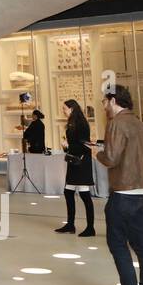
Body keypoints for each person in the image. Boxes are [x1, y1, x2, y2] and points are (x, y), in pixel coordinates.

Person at [91, 86, 143, 285]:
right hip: (142, 190)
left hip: (123, 192)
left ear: (112, 100)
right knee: (142, 243)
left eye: (104, 102)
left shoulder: (117, 123)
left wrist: (97, 153)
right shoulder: (141, 125)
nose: (103, 106)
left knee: (117, 242)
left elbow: (111, 158)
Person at [56, 100, 95, 235]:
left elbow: (84, 146)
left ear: (72, 109)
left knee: (85, 195)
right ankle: (70, 224)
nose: (63, 111)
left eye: (65, 108)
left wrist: (68, 146)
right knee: (68, 192)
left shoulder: (81, 124)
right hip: (74, 162)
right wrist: (67, 146)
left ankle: (90, 227)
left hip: (81, 164)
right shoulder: (73, 123)